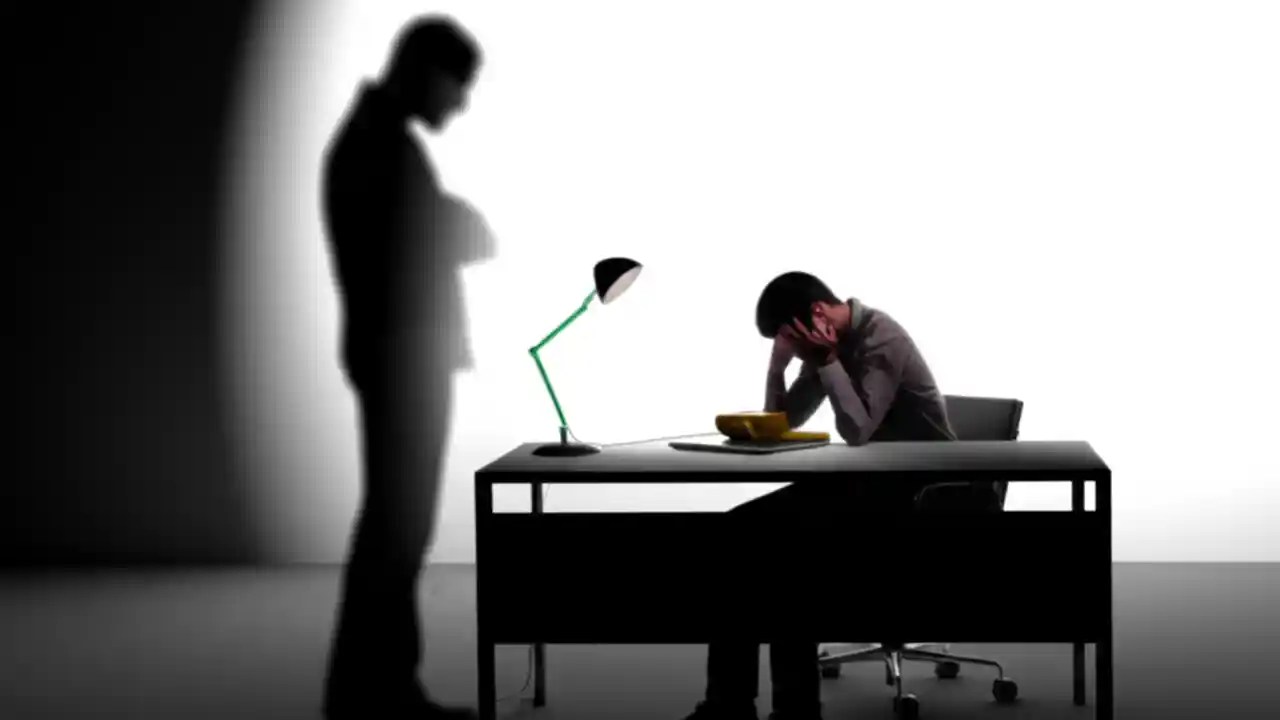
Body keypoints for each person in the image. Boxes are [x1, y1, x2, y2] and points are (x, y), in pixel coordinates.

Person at [683, 271, 957, 720]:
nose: (790, 345)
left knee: (787, 548)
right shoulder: (822, 345)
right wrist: (778, 367)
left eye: (786, 336)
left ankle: (795, 707)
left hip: (916, 490)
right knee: (737, 530)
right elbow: (782, 422)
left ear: (814, 315)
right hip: (864, 483)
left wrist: (827, 360)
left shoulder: (880, 338)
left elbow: (857, 431)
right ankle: (729, 704)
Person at [320, 16, 489, 720]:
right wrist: (451, 227)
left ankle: (379, 690)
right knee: (397, 525)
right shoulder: (378, 148)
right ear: (427, 72)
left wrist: (449, 226)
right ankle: (374, 695)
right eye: (458, 86)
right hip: (403, 356)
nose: (460, 103)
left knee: (398, 524)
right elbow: (436, 237)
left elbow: (438, 231)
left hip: (398, 353)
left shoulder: (380, 142)